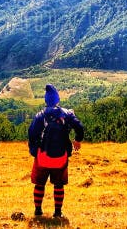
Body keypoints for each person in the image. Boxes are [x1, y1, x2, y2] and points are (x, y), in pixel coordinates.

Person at [28, 84, 84, 218]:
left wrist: (35, 151)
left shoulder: (41, 115)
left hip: (43, 157)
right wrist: (77, 140)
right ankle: (58, 213)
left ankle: (38, 211)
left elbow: (32, 134)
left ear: (46, 100)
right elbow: (79, 127)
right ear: (58, 99)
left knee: (39, 184)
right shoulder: (67, 114)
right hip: (61, 158)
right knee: (59, 185)